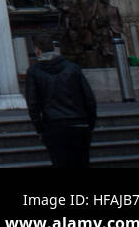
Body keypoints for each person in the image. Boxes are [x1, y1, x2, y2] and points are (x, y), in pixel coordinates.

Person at [25, 34, 97, 168]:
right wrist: (90, 123)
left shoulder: (34, 72)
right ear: (54, 47)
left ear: (37, 50)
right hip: (79, 123)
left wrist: (40, 129)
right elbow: (89, 99)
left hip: (54, 125)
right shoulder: (72, 68)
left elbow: (33, 105)